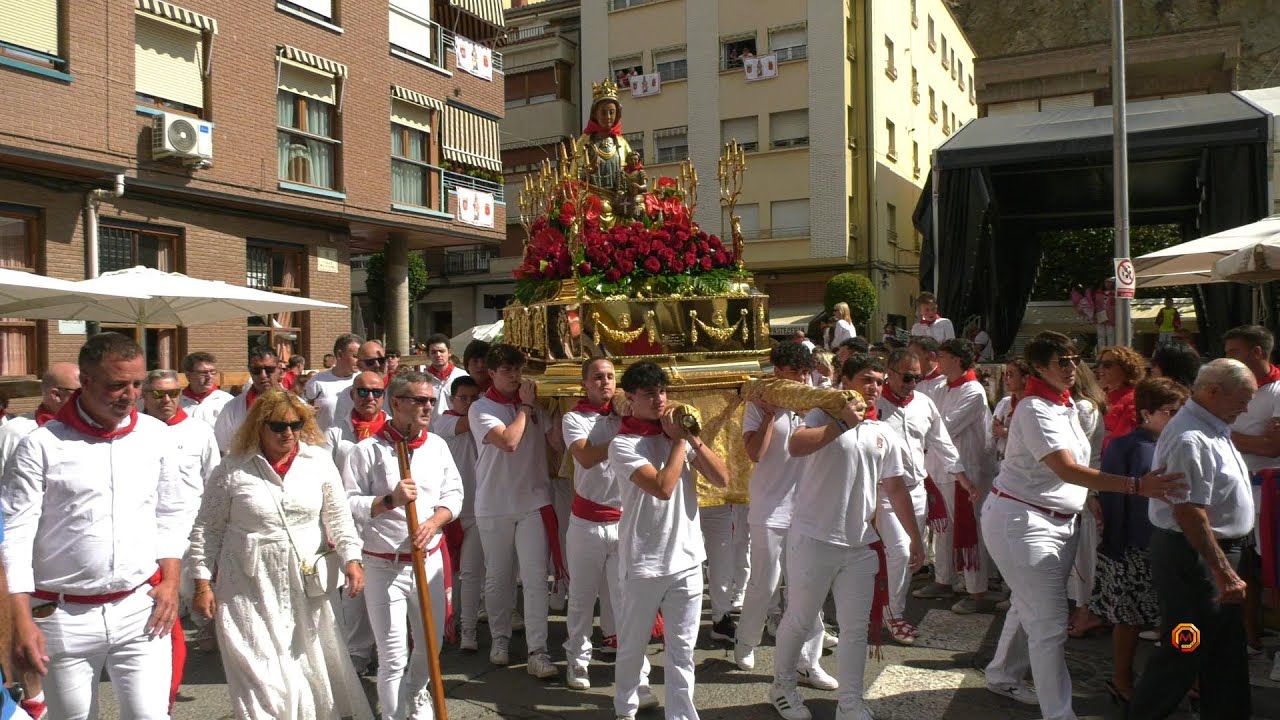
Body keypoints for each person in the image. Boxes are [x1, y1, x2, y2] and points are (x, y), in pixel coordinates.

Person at [980, 331, 1178, 720]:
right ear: (1040, 367)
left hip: (1054, 519)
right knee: (1051, 624)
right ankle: (1059, 713)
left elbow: (1077, 469)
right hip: (1023, 521)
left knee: (1028, 606)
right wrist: (1136, 486)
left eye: (1074, 359)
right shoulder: (1035, 408)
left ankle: (1002, 673)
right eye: (1062, 362)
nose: (1072, 368)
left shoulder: (1068, 406)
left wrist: (1091, 500)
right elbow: (1067, 468)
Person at [3, 333, 190, 720]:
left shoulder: (156, 436)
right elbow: (14, 539)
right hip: (61, 616)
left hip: (140, 610)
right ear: (85, 382)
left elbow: (171, 512)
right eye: (117, 385)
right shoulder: (40, 446)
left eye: (137, 384)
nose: (130, 395)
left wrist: (170, 581)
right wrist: (19, 620)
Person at [188, 390, 370, 720]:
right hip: (246, 585)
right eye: (277, 426)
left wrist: (352, 560)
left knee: (304, 668)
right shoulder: (232, 467)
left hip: (305, 584)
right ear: (258, 426)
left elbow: (339, 517)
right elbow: (207, 528)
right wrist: (202, 583)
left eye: (295, 424)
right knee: (260, 675)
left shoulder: (318, 462)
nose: (287, 433)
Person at [770, 354, 920, 720]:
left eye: (879, 381)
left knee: (856, 628)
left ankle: (851, 702)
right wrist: (841, 423)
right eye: (867, 379)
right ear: (846, 380)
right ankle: (782, 687)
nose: (874, 388)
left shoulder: (883, 431)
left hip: (860, 545)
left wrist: (914, 538)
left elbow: (895, 488)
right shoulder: (822, 412)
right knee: (801, 619)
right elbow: (797, 446)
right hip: (813, 538)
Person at [1129, 359, 1257, 720]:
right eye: (1243, 399)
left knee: (1224, 648)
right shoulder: (1191, 437)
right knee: (1187, 646)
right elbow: (1189, 511)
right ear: (1213, 392)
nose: (1246, 408)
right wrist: (1223, 571)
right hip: (1196, 557)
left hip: (1210, 554)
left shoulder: (1211, 426)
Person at [610, 361, 729, 720]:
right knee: (633, 647)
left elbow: (722, 478)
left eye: (662, 391)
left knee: (682, 649)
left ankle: (681, 715)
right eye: (649, 394)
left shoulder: (677, 438)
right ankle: (625, 710)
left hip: (688, 558)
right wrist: (678, 440)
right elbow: (662, 488)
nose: (659, 399)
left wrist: (692, 438)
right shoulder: (623, 443)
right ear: (630, 399)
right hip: (645, 560)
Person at [342, 371, 462, 720]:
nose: (428, 406)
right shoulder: (365, 450)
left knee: (430, 646)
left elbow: (454, 493)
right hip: (384, 564)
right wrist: (388, 500)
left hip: (429, 562)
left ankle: (415, 693)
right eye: (419, 400)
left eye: (430, 400)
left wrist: (433, 522)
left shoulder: (437, 445)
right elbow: (347, 502)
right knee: (392, 653)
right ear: (396, 403)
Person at [735, 344, 836, 686]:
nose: (803, 379)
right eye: (795, 373)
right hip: (769, 506)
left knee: (807, 585)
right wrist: (769, 413)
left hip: (808, 507)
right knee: (765, 581)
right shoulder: (758, 402)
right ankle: (746, 640)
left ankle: (809, 660)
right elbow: (755, 453)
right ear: (777, 372)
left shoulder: (817, 400)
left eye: (806, 373)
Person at [470, 344, 563, 676]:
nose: (514, 375)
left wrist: (563, 404)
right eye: (506, 370)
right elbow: (509, 442)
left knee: (536, 578)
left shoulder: (535, 403)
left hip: (534, 501)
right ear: (492, 373)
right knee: (499, 576)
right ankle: (500, 637)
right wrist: (526, 407)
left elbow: (556, 444)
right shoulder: (481, 408)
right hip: (495, 505)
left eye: (517, 369)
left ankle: (539, 650)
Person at [1093, 377, 1187, 705]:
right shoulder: (1125, 446)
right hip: (1134, 545)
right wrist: (1116, 547)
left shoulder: (1182, 442)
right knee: (1129, 619)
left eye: (1182, 410)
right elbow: (1112, 497)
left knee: (1181, 619)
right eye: (1170, 411)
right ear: (1146, 413)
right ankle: (1121, 679)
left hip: (1176, 543)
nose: (1178, 417)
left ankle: (1187, 674)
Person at [562, 358, 647, 692]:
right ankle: (577, 661)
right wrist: (628, 434)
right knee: (582, 599)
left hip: (623, 522)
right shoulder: (574, 417)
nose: (605, 383)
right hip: (586, 523)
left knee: (627, 601)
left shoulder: (627, 414)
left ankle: (635, 673)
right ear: (585, 383)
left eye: (611, 377)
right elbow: (584, 457)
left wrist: (633, 420)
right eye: (598, 377)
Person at [0, 362, 78, 720]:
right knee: (26, 618)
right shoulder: (18, 430)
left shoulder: (81, 433)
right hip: (23, 540)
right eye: (77, 391)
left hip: (63, 543)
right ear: (54, 394)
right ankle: (33, 697)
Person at [140, 368, 219, 713]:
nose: (167, 400)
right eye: (158, 394)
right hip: (145, 540)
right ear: (144, 395)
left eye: (173, 393)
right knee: (159, 617)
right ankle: (165, 692)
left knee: (195, 606)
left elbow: (215, 484)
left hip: (192, 537)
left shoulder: (199, 432)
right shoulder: (132, 433)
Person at [878, 348, 967, 643]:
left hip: (916, 492)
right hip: (880, 493)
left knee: (909, 556)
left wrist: (961, 474)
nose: (912, 383)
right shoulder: (872, 404)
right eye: (906, 377)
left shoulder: (925, 404)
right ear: (888, 372)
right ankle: (894, 615)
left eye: (917, 377)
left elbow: (941, 442)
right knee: (901, 551)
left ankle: (890, 609)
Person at [914, 339, 992, 615]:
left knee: (969, 530)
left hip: (965, 471)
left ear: (958, 360)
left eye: (944, 356)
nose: (939, 361)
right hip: (938, 468)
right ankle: (944, 579)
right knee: (942, 529)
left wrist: (916, 426)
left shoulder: (973, 391)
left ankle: (976, 589)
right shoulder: (944, 388)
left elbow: (944, 428)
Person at [1221, 325, 1280, 671]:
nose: (1228, 358)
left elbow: (1273, 447)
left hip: (1271, 493)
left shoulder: (1277, 390)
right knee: (1243, 570)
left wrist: (1225, 434)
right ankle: (1251, 640)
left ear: (1258, 352)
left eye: (1235, 351)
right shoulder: (1233, 390)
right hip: (1241, 491)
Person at [322, 369, 387, 675]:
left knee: (388, 592)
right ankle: (357, 654)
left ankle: (388, 652)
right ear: (352, 396)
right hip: (351, 523)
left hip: (388, 523)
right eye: (363, 392)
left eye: (376, 392)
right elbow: (323, 478)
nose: (370, 398)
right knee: (355, 592)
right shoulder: (335, 434)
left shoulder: (394, 429)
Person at [434, 376, 484, 650]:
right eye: (463, 398)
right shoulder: (443, 421)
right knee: (448, 575)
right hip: (449, 512)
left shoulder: (483, 418)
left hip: (478, 510)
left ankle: (468, 630)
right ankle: (445, 623)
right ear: (453, 400)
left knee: (471, 573)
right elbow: (467, 423)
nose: (468, 403)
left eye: (474, 398)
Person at [1067, 361, 1108, 638]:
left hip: (1083, 487)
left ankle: (1086, 611)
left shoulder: (1083, 407)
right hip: (1078, 485)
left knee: (1084, 554)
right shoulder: (1076, 405)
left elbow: (1076, 452)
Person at [213, 347, 284, 453]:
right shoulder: (232, 409)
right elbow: (222, 447)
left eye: (269, 369)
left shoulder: (298, 406)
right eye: (256, 370)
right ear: (250, 371)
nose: (263, 375)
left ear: (280, 369)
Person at [304, 334, 363, 430]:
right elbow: (303, 414)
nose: (359, 361)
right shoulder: (317, 382)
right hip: (324, 442)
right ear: (340, 355)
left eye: (361, 357)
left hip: (353, 442)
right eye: (355, 356)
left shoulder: (362, 380)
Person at [1097, 346, 1146, 452]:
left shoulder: (1134, 399)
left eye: (1107, 365)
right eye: (1099, 364)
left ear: (1125, 367)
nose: (1100, 369)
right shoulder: (1099, 396)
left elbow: (1121, 439)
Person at [178, 352, 234, 428]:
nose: (209, 376)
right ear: (188, 375)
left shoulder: (227, 401)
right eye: (203, 373)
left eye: (212, 372)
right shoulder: (177, 402)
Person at [992, 358, 1031, 462]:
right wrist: (994, 429)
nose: (1005, 378)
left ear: (1025, 378)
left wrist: (1007, 432)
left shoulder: (1033, 406)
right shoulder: (1004, 403)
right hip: (1003, 462)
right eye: (1005, 374)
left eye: (1010, 375)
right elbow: (992, 432)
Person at [424, 334, 468, 422]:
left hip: (457, 431)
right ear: (428, 355)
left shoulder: (463, 377)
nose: (438, 355)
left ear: (450, 352)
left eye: (441, 351)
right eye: (433, 352)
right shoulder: (421, 381)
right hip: (430, 432)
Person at [908, 335, 947, 405]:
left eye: (914, 357)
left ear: (931, 356)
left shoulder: (946, 382)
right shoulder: (910, 380)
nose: (909, 361)